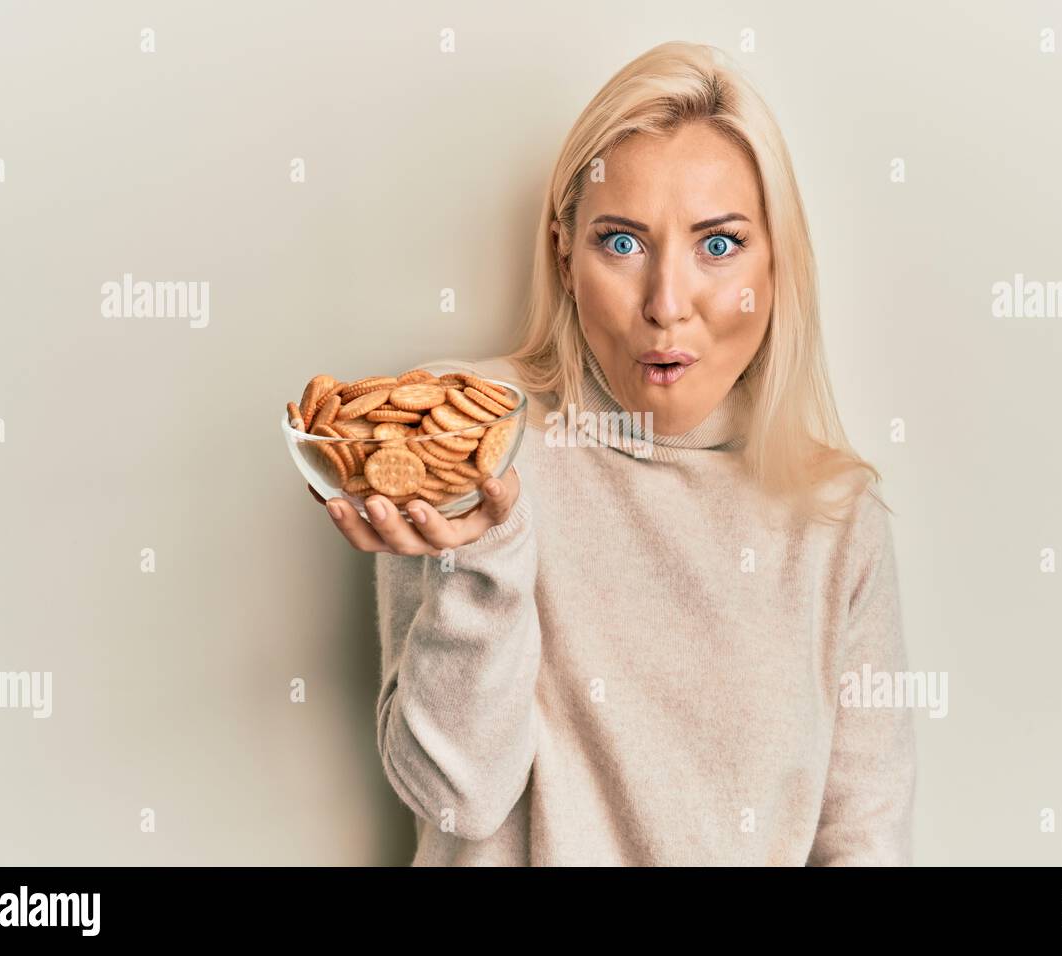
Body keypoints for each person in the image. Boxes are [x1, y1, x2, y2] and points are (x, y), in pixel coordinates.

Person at [319, 40, 916, 865]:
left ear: (778, 263)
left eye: (718, 245)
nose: (667, 305)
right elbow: (458, 796)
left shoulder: (835, 517)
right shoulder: (471, 439)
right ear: (565, 256)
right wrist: (484, 557)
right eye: (623, 243)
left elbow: (863, 840)